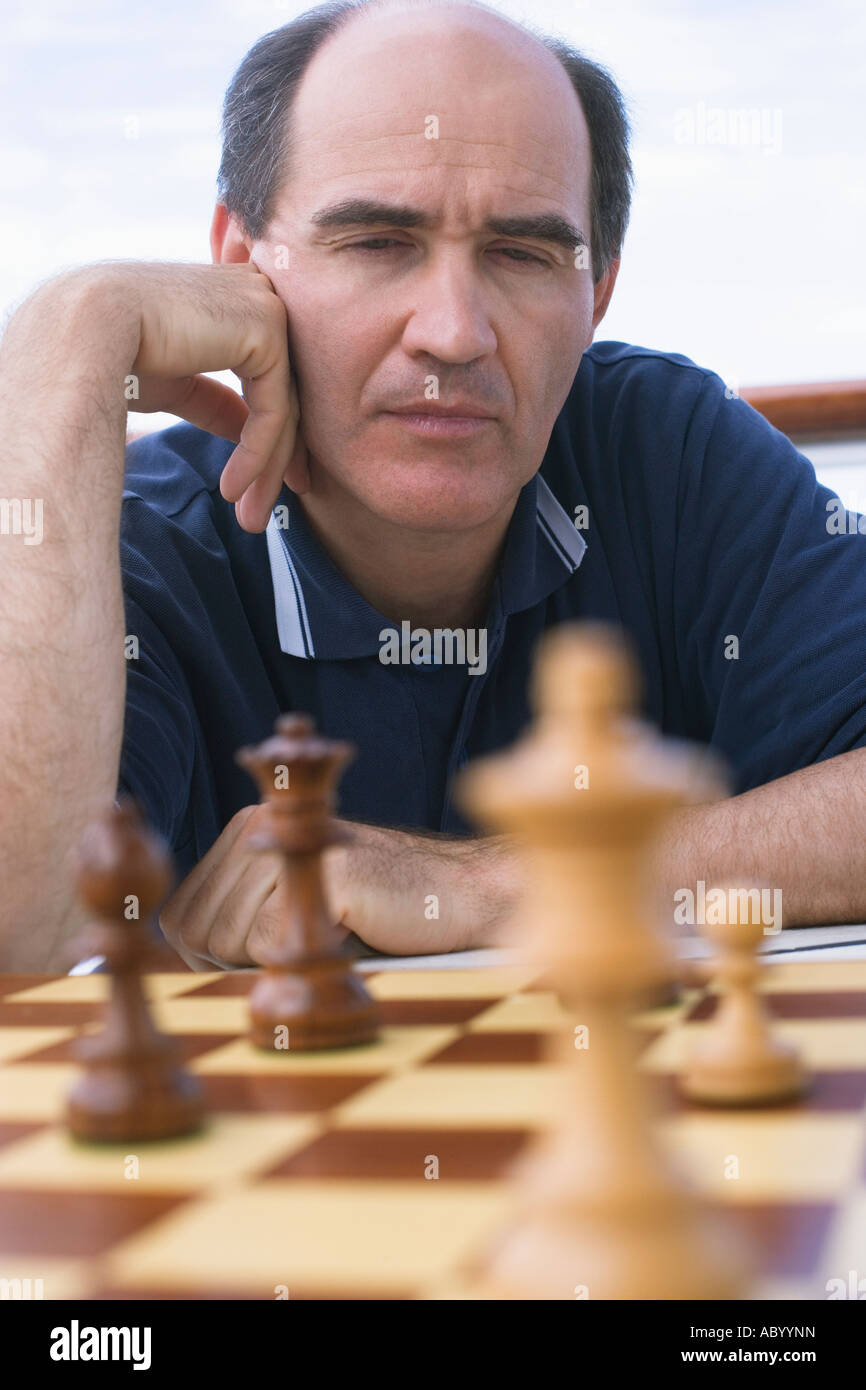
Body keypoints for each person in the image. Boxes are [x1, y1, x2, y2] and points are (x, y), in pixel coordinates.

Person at [3, 0, 866, 972]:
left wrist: (486, 883)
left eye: (521, 253)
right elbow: (13, 925)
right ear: (244, 270)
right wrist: (66, 340)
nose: (452, 332)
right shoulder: (126, 557)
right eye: (377, 243)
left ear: (597, 297)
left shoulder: (672, 455)